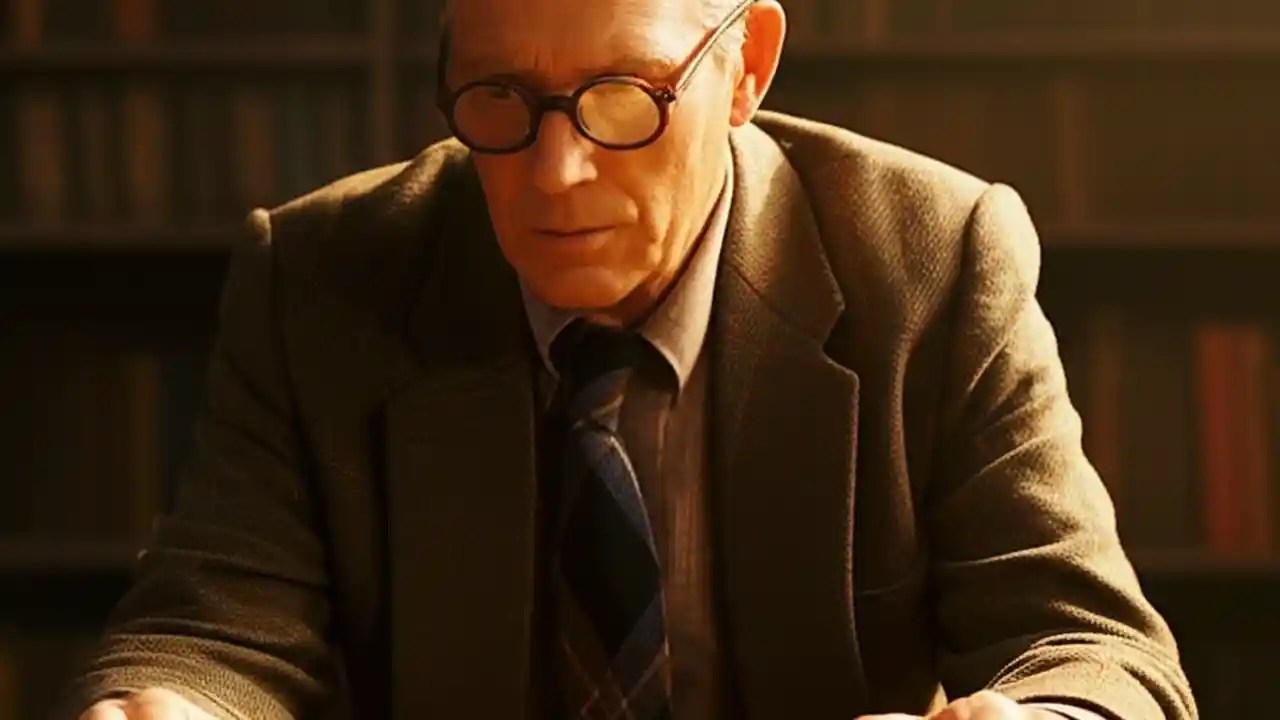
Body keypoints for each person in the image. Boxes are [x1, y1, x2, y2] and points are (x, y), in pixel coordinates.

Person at [69, 0, 1198, 718]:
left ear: (745, 66)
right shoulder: (318, 274)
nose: (554, 171)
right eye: (498, 99)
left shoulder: (930, 258)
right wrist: (168, 704)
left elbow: (1088, 647)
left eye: (624, 98)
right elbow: (216, 627)